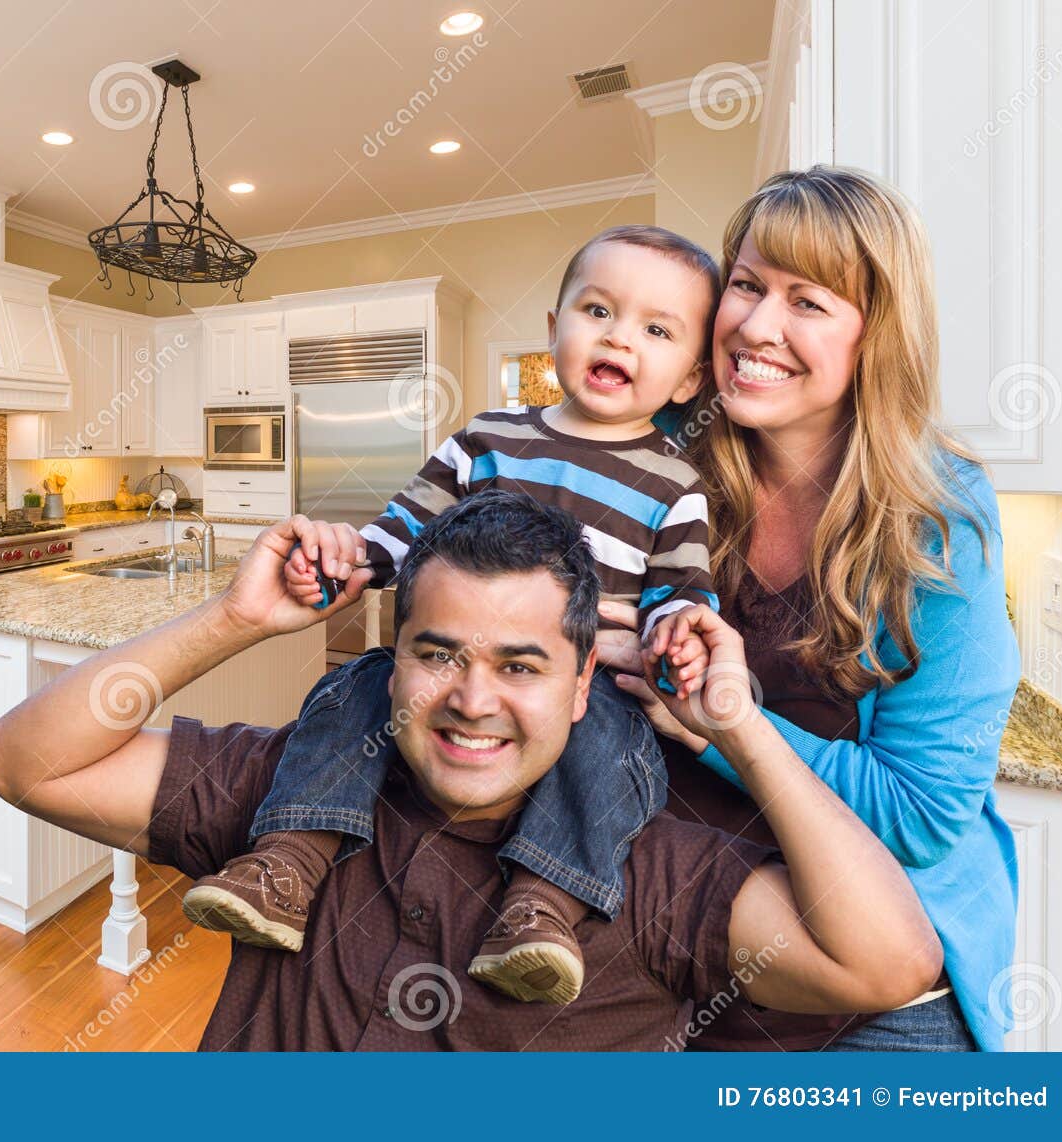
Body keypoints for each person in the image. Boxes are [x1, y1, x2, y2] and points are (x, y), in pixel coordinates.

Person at [0, 492, 943, 1051]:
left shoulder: (645, 871)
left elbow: (887, 959)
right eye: (436, 654)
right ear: (388, 664)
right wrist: (235, 618)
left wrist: (736, 726)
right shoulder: (291, 800)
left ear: (579, 687)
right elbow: (19, 760)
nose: (473, 698)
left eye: (520, 665)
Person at [182, 225, 724, 1006]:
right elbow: (401, 530)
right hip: (446, 664)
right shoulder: (486, 439)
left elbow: (683, 593)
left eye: (655, 329)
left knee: (613, 741)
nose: (618, 337)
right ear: (554, 332)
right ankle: (288, 861)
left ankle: (542, 909)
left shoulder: (675, 483)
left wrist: (678, 634)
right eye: (597, 310)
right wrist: (346, 562)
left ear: (686, 380)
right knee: (357, 685)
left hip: (582, 684)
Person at [601, 165, 1020, 1051]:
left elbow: (918, 814)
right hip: (677, 939)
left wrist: (713, 729)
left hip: (874, 984)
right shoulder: (656, 464)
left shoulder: (938, 521)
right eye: (747, 286)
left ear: (878, 338)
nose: (757, 327)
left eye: (809, 302)